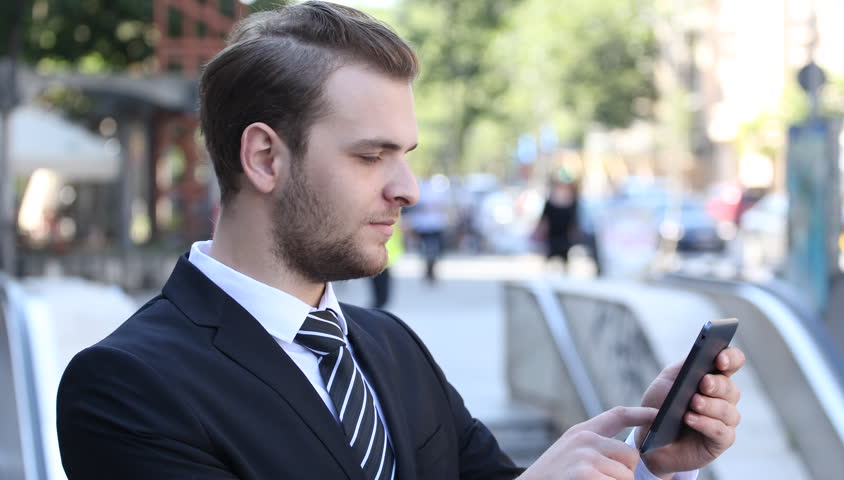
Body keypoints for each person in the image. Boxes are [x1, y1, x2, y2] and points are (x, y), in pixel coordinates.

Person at [56, 3, 745, 480]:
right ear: (265, 158)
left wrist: (635, 456)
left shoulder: (390, 346)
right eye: (370, 156)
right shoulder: (126, 388)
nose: (408, 188)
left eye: (407, 153)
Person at [535, 178, 581, 271]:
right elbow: (544, 218)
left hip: (564, 236)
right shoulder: (550, 202)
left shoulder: (573, 202)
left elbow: (574, 219)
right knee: (550, 256)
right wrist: (540, 230)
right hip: (552, 235)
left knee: (564, 257)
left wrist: (574, 231)